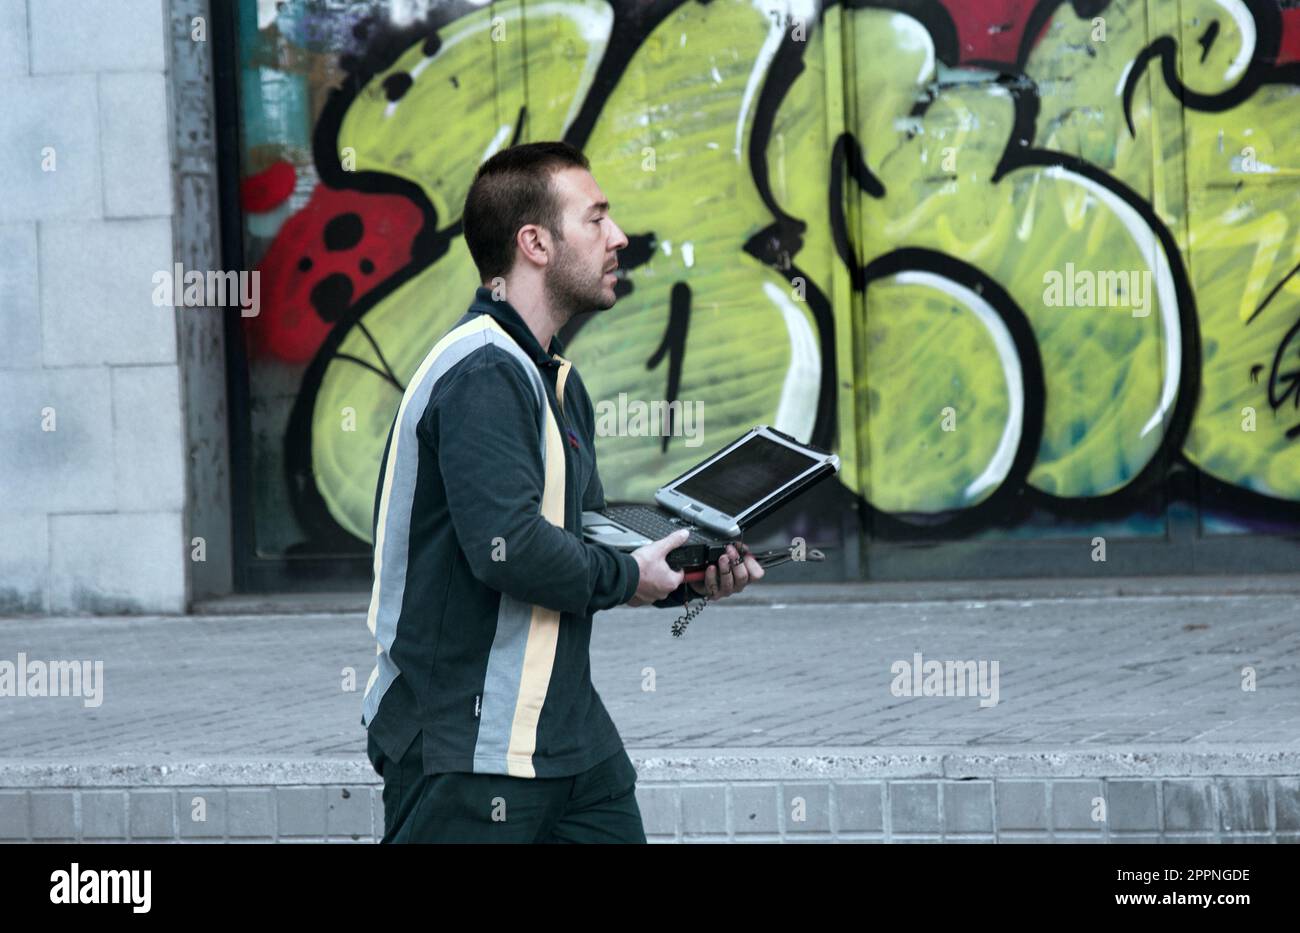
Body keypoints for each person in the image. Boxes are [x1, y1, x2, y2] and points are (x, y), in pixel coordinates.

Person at [360, 141, 765, 843]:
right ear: (535, 243)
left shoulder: (548, 375)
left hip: (570, 742)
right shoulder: (482, 372)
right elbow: (509, 549)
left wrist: (683, 574)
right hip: (469, 749)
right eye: (597, 218)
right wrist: (625, 574)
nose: (619, 237)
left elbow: (581, 534)